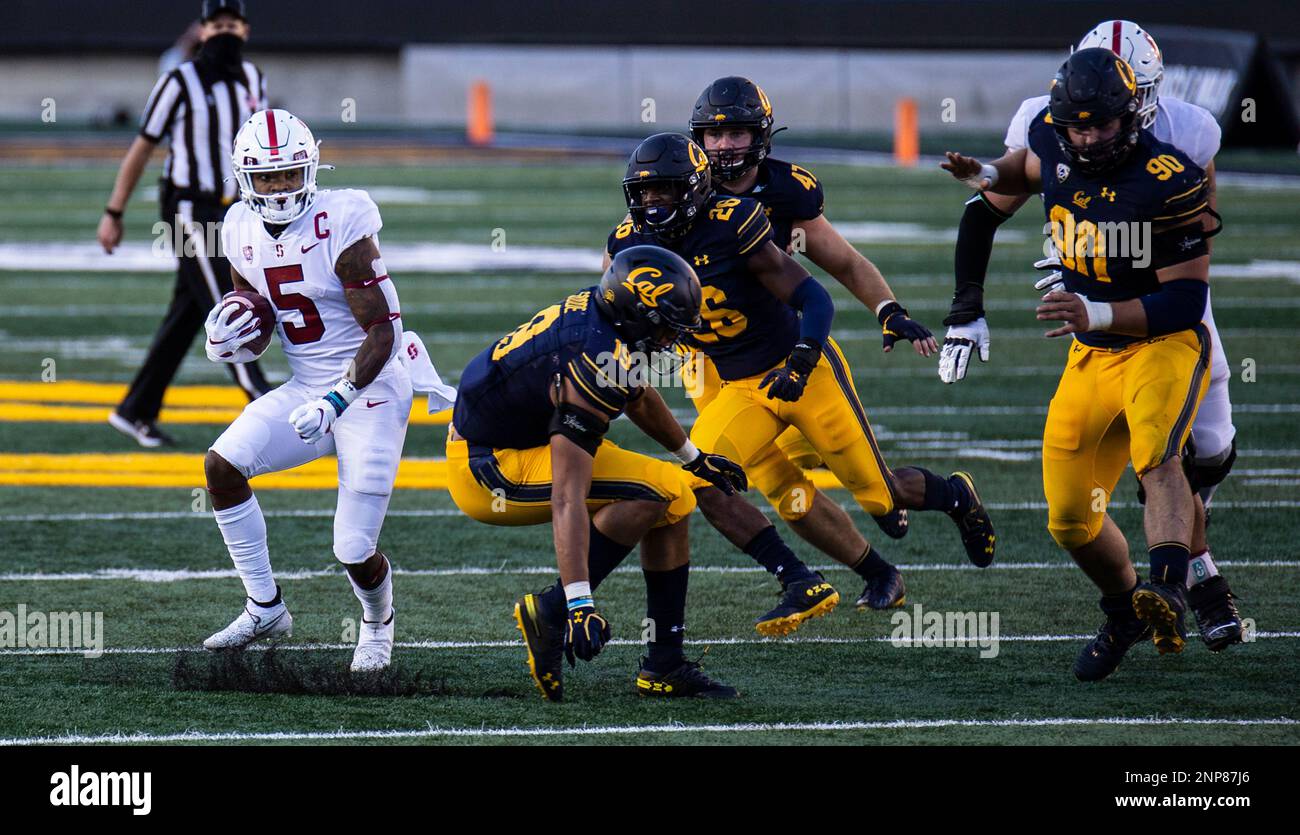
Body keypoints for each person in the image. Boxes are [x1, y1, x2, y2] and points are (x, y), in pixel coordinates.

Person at [939, 20, 1242, 652]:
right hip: (1091, 333)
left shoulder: (1181, 149)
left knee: (1198, 453)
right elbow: (1014, 180)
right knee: (1074, 512)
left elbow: (1185, 286)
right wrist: (992, 182)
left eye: (1102, 122)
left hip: (1161, 316)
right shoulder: (1047, 129)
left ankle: (1183, 580)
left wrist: (1102, 276)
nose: (1089, 135)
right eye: (1076, 124)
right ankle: (1160, 591)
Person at [607, 133, 997, 620]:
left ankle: (955, 494)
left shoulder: (735, 221)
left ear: (692, 188)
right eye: (643, 193)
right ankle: (801, 579)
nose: (651, 203)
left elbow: (815, 297)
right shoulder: (626, 242)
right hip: (736, 385)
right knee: (704, 477)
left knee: (880, 493)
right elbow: (612, 315)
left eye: (663, 191)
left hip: (802, 370)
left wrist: (804, 358)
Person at [447, 246, 748, 701]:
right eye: (666, 328)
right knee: (660, 491)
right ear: (637, 313)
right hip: (490, 468)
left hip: (519, 440)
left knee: (677, 496)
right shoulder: (591, 359)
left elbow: (640, 393)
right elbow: (567, 496)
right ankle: (551, 611)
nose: (671, 341)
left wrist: (692, 456)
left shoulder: (606, 317)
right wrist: (579, 603)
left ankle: (665, 664)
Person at [202, 109, 415, 674]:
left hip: (372, 388)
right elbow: (257, 314)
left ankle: (376, 622)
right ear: (246, 179)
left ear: (311, 170)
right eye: (266, 177)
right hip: (307, 386)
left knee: (352, 548)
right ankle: (265, 607)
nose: (278, 188)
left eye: (289, 174)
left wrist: (336, 400)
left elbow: (384, 332)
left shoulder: (341, 222)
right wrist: (232, 336)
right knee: (222, 466)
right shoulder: (238, 227)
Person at [98, 0, 270, 447]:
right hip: (189, 207)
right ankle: (262, 397)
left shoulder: (252, 78)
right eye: (217, 25)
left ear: (246, 31)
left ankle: (135, 408)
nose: (225, 32)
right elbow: (143, 146)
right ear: (202, 31)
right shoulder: (178, 80)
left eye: (232, 24)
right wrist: (114, 212)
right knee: (227, 295)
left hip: (234, 207)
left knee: (189, 309)